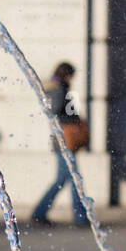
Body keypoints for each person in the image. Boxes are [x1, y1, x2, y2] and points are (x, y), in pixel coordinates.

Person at [31, 62, 89, 227]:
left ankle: (40, 212)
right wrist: (75, 120)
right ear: (67, 75)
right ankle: (80, 217)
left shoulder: (58, 89)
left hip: (62, 141)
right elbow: (57, 113)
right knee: (73, 179)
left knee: (63, 179)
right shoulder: (60, 90)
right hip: (65, 142)